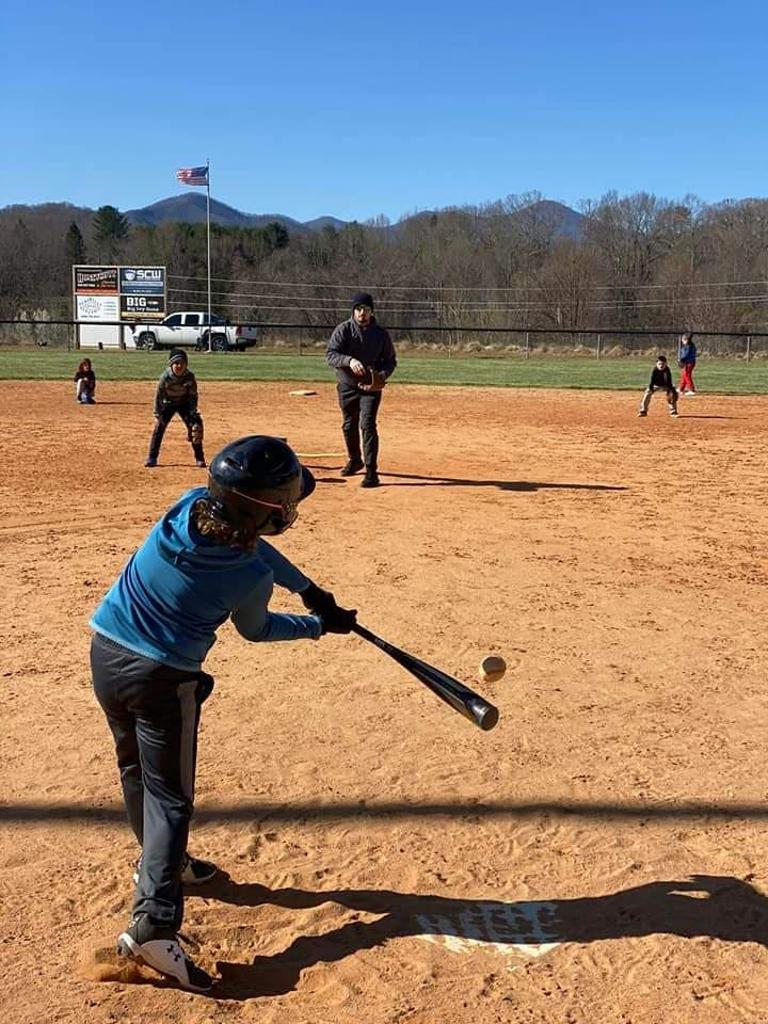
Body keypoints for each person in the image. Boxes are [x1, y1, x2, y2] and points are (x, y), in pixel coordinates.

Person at [90, 435, 358, 992]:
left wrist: (309, 589)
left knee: (136, 772)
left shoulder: (189, 504)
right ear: (271, 513)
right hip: (163, 680)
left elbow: (251, 543)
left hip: (106, 652)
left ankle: (161, 863)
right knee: (172, 800)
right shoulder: (248, 576)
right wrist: (317, 624)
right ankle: (154, 927)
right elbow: (257, 628)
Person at [326, 292, 397, 488]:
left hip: (370, 388)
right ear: (353, 311)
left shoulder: (381, 335)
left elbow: (390, 361)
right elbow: (331, 355)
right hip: (347, 385)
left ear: (371, 312)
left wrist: (381, 377)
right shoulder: (343, 330)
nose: (361, 313)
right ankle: (355, 459)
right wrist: (349, 360)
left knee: (367, 425)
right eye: (358, 309)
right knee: (349, 424)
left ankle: (371, 471)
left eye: (365, 310)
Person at [145, 349, 206, 468]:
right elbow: (159, 395)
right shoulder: (165, 377)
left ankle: (200, 458)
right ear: (171, 364)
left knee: (196, 428)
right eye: (176, 363)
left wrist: (192, 411)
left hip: (184, 403)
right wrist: (157, 412)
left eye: (182, 363)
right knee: (159, 427)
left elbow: (193, 395)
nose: (179, 366)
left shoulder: (189, 377)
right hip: (169, 403)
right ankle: (152, 457)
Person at [677, 331, 697, 396]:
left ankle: (691, 389)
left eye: (683, 339)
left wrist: (681, 360)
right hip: (688, 362)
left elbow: (686, 355)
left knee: (687, 375)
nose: (682, 341)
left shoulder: (688, 346)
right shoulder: (688, 346)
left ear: (686, 339)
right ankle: (681, 388)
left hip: (688, 363)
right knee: (684, 375)